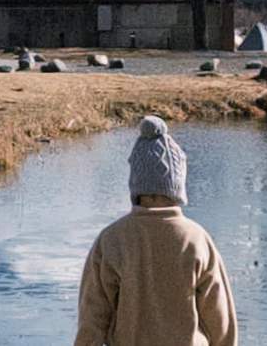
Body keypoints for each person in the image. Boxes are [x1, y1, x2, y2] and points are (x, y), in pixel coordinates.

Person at [74, 115, 237, 346]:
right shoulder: (196, 240)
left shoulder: (112, 239)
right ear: (177, 184)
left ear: (136, 185)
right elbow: (221, 325)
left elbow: (92, 322)